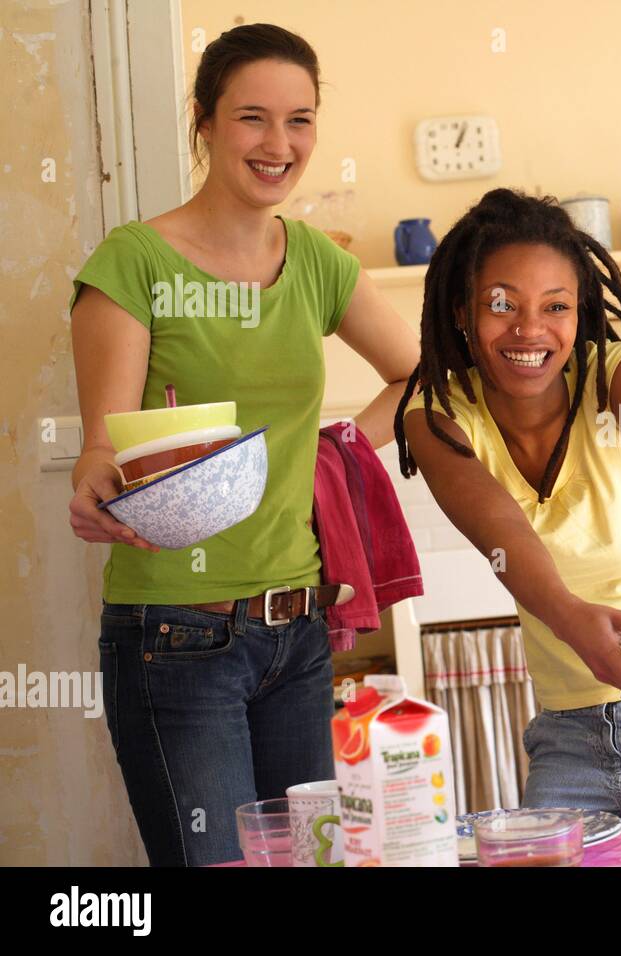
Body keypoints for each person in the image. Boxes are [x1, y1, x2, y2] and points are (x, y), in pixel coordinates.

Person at [69, 24, 419, 865]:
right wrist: (94, 483)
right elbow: (102, 447)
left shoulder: (318, 265)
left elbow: (418, 373)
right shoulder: (135, 263)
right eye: (253, 118)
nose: (278, 144)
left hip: (296, 630)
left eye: (300, 121)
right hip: (177, 637)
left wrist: (332, 452)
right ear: (205, 122)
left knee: (312, 862)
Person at [394, 189, 621, 828]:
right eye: (501, 304)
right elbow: (503, 535)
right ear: (462, 311)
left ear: (581, 312)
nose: (529, 329)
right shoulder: (437, 418)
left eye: (556, 306)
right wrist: (573, 622)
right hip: (566, 738)